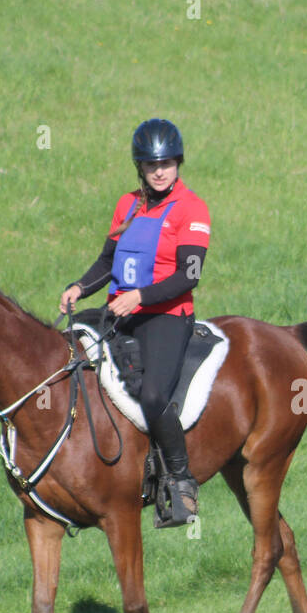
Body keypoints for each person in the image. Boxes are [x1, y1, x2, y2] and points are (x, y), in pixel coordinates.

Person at [60, 118, 210, 526]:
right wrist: (80, 286)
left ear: (178, 163)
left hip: (165, 316)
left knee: (153, 395)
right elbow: (108, 261)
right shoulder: (127, 204)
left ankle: (180, 482)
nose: (159, 171)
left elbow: (189, 274)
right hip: (119, 310)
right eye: (150, 165)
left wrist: (140, 297)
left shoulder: (192, 209)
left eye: (167, 163)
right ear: (139, 168)